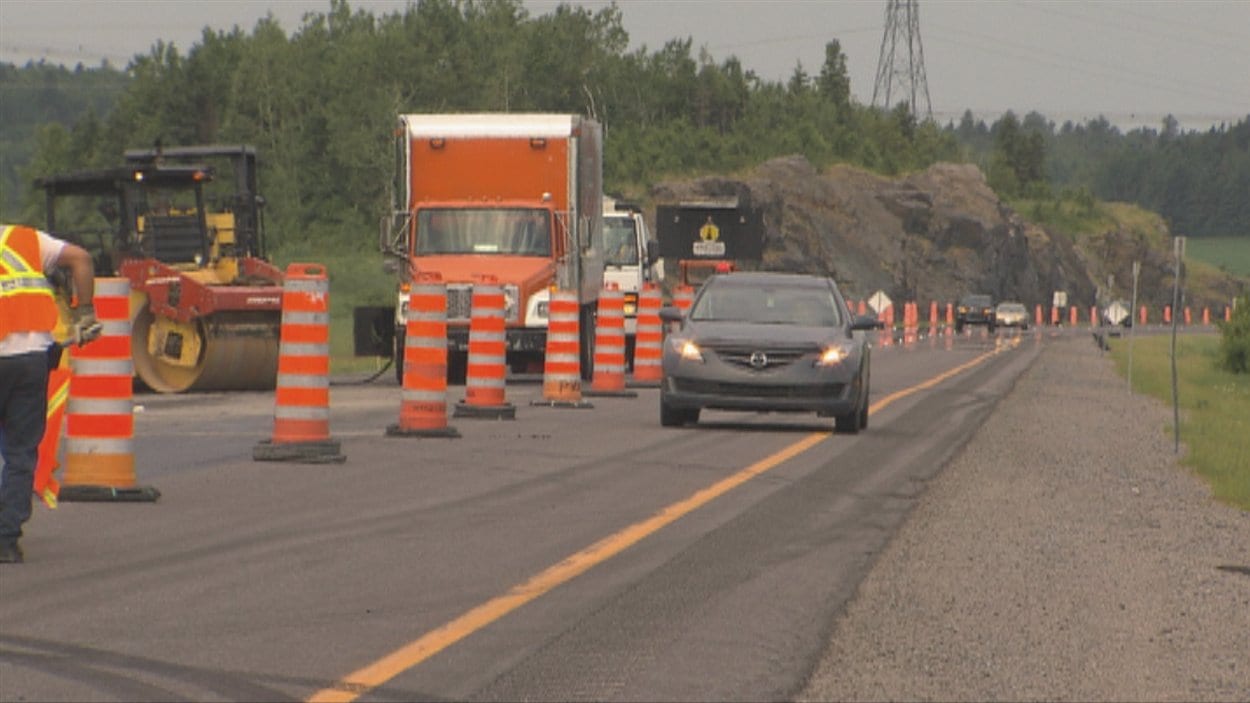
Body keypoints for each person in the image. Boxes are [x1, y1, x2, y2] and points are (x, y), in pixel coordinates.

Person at [0, 224, 101, 564]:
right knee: (19, 452)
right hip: (30, 361)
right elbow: (82, 259)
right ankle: (6, 541)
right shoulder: (24, 239)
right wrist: (85, 314)